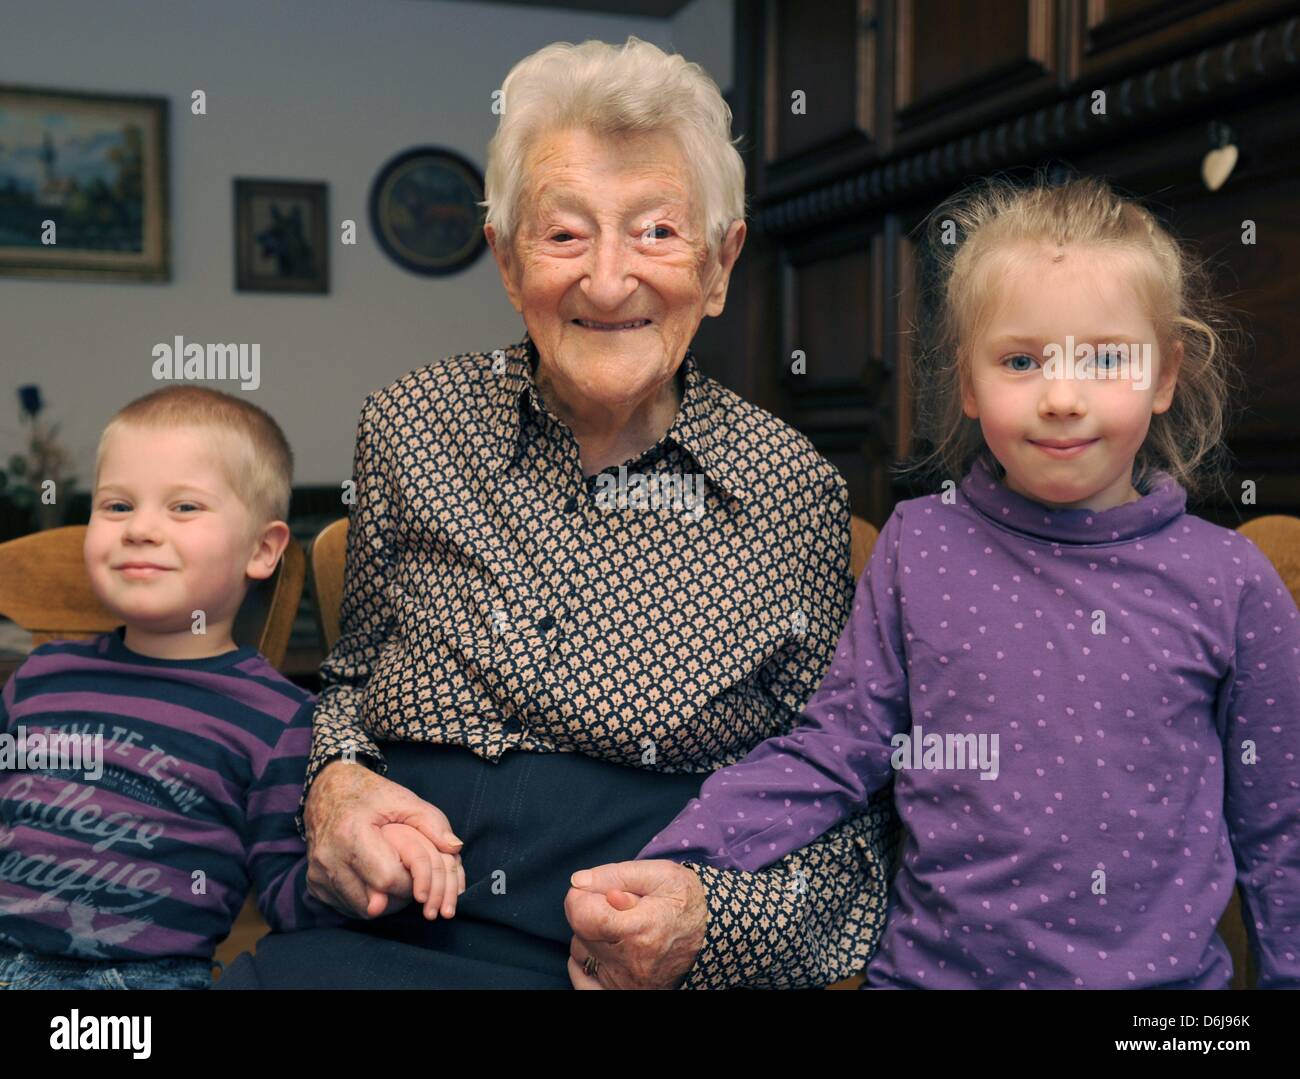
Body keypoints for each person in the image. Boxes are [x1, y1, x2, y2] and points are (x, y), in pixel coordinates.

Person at [213, 35, 899, 991]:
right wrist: (332, 789)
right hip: (378, 938)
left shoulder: (792, 492)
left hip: (617, 967)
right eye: (564, 233)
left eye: (657, 231)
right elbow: (352, 678)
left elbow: (845, 824)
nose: (609, 280)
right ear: (504, 256)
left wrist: (710, 927)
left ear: (720, 261)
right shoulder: (412, 424)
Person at [638, 174, 1300, 989]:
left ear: (1164, 376)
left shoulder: (1229, 580)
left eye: (1105, 360)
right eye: (1021, 360)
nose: (1061, 397)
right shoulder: (923, 546)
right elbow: (834, 751)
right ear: (968, 382)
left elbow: (1281, 829)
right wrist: (674, 857)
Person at [0, 386, 365, 990]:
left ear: (261, 548)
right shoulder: (39, 677)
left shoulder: (280, 718)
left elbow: (283, 891)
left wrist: (357, 885)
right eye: (116, 506)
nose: (140, 529)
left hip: (142, 979)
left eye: (184, 508)